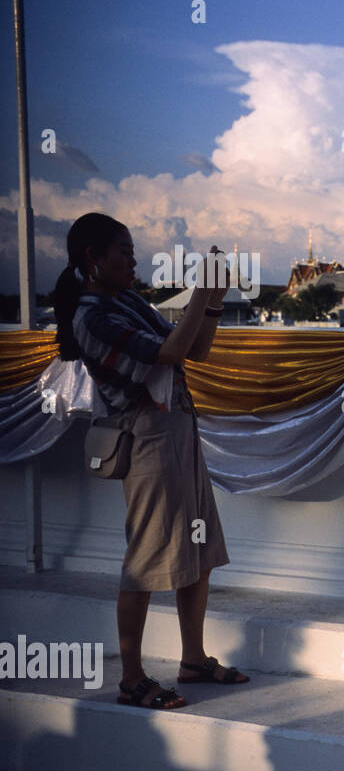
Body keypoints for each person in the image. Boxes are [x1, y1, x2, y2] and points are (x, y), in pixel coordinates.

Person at [54, 212, 245, 710]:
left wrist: (214, 298)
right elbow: (168, 352)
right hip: (148, 439)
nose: (133, 261)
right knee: (145, 560)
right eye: (124, 252)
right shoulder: (92, 316)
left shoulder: (127, 302)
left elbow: (194, 351)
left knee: (198, 552)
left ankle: (194, 660)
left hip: (179, 429)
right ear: (93, 259)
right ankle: (132, 678)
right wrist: (202, 287)